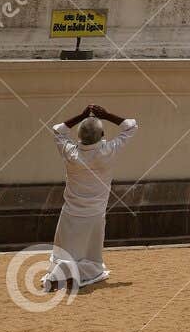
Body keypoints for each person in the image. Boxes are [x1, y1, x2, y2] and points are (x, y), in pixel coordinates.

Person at [44, 104, 138, 289]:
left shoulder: (71, 153)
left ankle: (57, 276)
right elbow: (131, 126)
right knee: (89, 257)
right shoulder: (107, 152)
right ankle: (78, 275)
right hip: (94, 214)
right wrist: (107, 115)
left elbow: (57, 131)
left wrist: (81, 116)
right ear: (102, 136)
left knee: (65, 253)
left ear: (79, 136)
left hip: (70, 213)